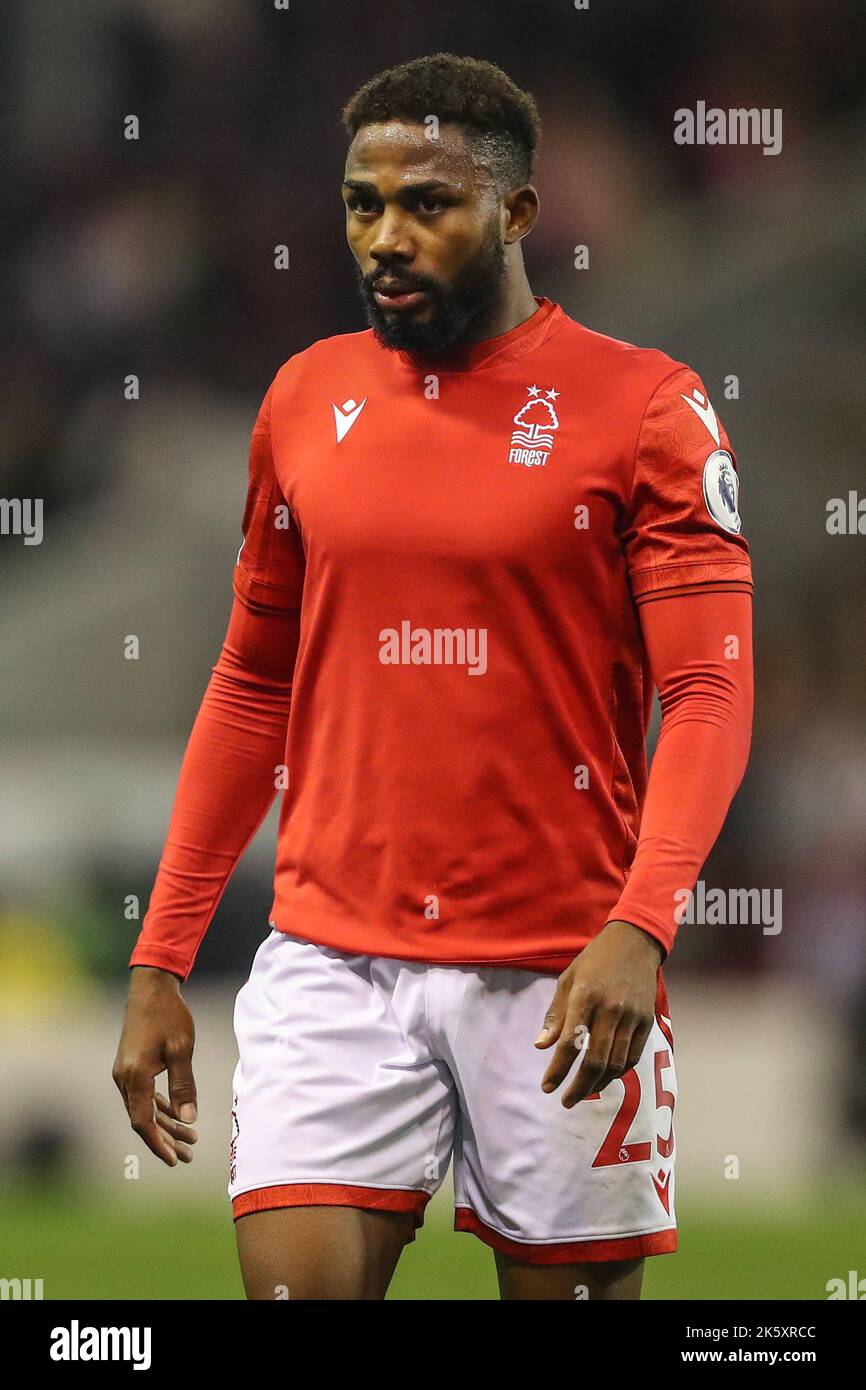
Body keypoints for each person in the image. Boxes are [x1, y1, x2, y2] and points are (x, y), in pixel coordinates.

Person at [113, 53, 753, 1301]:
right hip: (329, 961)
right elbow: (252, 682)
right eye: (363, 205)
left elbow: (711, 694)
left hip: (562, 968)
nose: (385, 238)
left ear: (517, 213)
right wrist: (160, 956)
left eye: (427, 205)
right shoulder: (305, 399)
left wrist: (640, 924)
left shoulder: (649, 410)